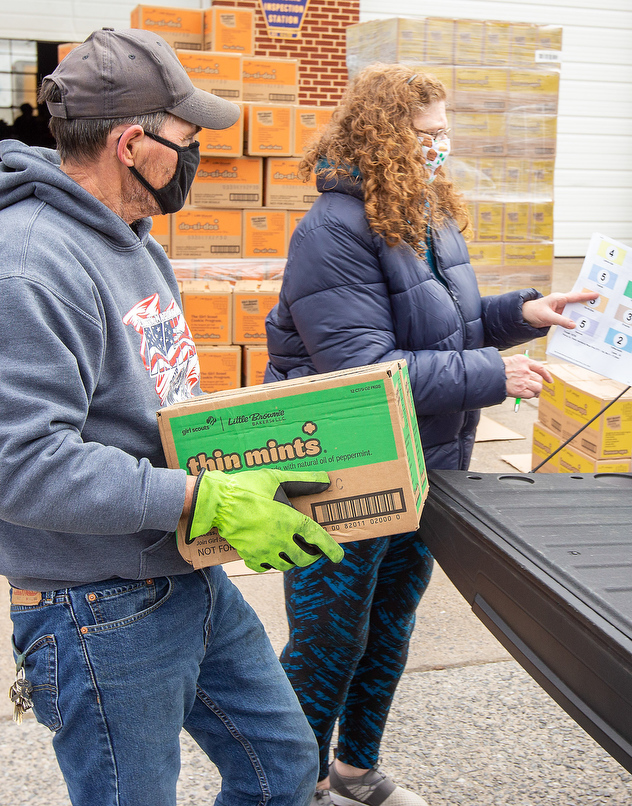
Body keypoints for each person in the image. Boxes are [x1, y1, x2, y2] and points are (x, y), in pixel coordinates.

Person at [0, 28, 346, 806]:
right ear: (131, 142)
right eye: (187, 140)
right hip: (96, 607)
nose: (196, 158)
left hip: (183, 572)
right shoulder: (27, 266)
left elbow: (154, 397)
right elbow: (19, 464)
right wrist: (199, 496)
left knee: (282, 770)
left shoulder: (136, 243)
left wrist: (238, 452)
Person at [265, 62, 596, 806]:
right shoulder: (331, 234)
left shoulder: (427, 216)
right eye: (427, 135)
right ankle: (299, 782)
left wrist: (522, 315)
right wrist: (491, 376)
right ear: (384, 138)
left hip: (427, 462)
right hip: (344, 471)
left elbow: (452, 328)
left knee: (389, 625)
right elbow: (363, 370)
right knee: (328, 639)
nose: (441, 148)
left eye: (445, 133)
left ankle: (356, 767)